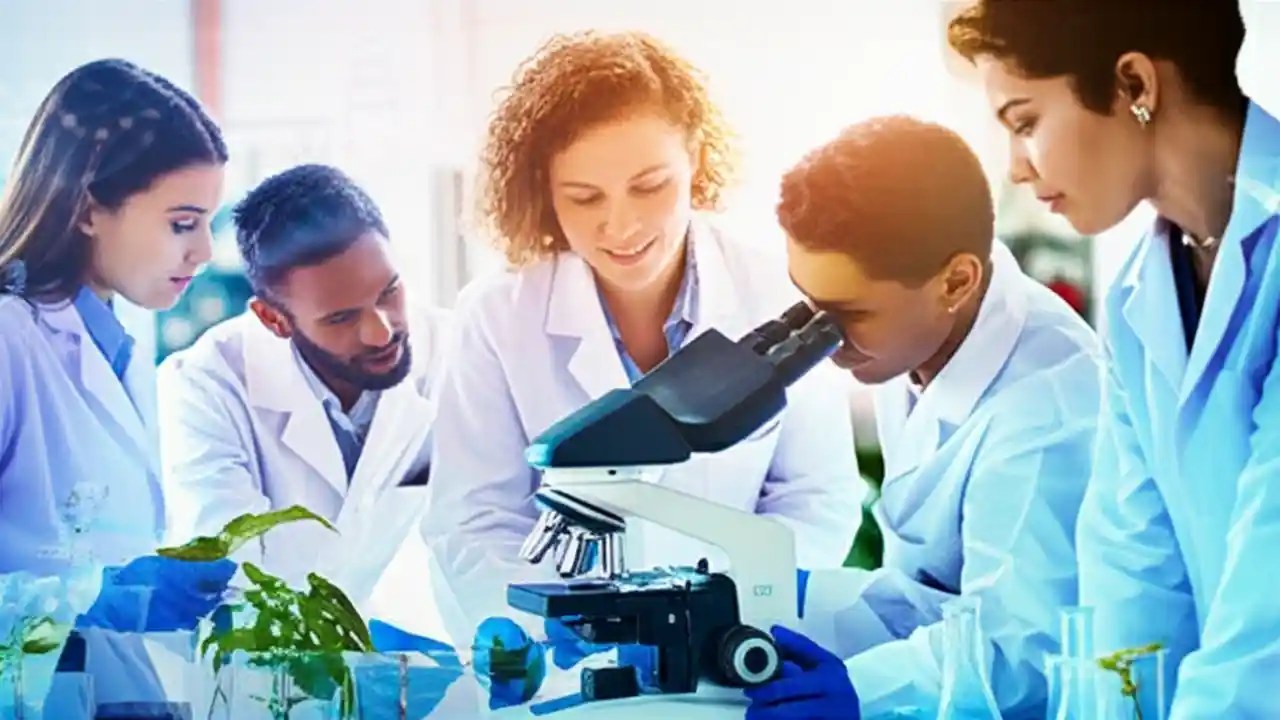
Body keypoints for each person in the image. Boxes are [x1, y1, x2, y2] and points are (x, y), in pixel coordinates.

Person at [422, 30, 863, 651]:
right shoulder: (497, 318)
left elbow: (817, 499)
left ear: (696, 160)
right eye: (584, 198)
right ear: (544, 192)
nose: (620, 225)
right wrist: (547, 632)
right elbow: (474, 520)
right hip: (565, 658)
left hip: (733, 641)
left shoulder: (777, 294)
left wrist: (724, 612)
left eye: (650, 186)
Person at [948, 2, 1279, 717]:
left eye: (1025, 122)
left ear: (1134, 85)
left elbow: (1270, 609)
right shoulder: (1139, 295)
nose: (1015, 167)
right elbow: (1132, 577)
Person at [742, 116, 1102, 719]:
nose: (821, 338)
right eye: (806, 303)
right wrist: (777, 598)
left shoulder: (1045, 410)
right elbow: (928, 599)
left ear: (957, 281)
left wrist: (865, 692)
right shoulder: (915, 338)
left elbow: (1020, 656)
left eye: (846, 313)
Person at [0, 58, 235, 704]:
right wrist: (93, 599)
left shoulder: (125, 350)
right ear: (86, 210)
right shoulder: (9, 340)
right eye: (182, 223)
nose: (205, 251)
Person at [157, 163, 452, 637]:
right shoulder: (205, 387)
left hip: (421, 670)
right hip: (269, 680)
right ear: (274, 319)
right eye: (340, 318)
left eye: (389, 292)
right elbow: (226, 576)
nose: (381, 330)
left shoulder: (456, 351)